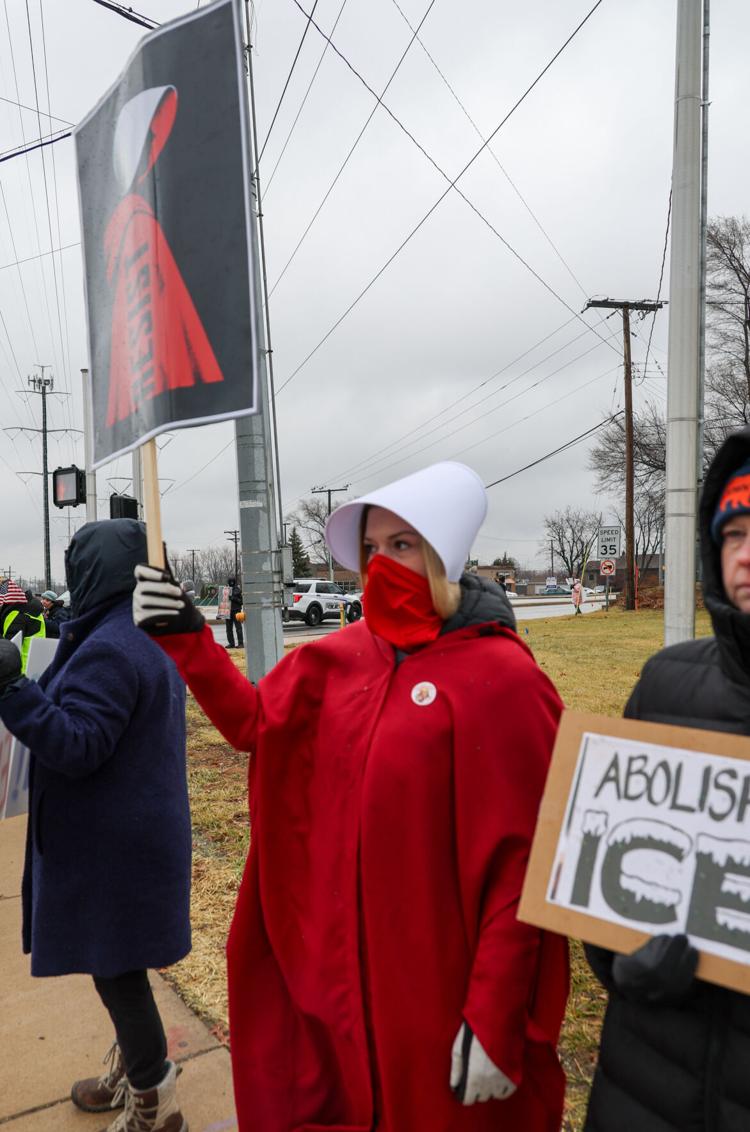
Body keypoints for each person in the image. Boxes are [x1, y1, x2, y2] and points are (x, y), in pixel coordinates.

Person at [133, 461, 569, 1132]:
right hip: (336, 978)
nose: (381, 564)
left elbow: (527, 864)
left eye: (402, 545)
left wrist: (494, 1015)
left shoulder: (504, 680)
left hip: (439, 993)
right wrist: (186, 635)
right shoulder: (335, 659)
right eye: (371, 548)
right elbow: (255, 724)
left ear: (442, 555)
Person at [584, 428, 750, 1132]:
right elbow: (597, 891)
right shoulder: (664, 686)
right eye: (735, 532)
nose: (747, 554)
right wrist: (625, 962)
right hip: (648, 1086)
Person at [0, 520, 191, 1132]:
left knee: (118, 970)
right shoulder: (133, 631)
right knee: (118, 965)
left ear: (93, 571)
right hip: (128, 830)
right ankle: (138, 1066)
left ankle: (154, 1100)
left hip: (115, 843)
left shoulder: (112, 644)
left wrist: (10, 688)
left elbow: (79, 743)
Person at [0, 579, 46, 672]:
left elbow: (7, 649)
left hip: (21, 671)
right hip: (35, 666)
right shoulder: (29, 609)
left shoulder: (16, 615)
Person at [225, 576, 244, 649]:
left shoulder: (238, 590)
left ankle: (240, 643)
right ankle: (231, 643)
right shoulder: (226, 590)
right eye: (230, 582)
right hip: (227, 611)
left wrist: (233, 598)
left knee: (238, 628)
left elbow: (241, 602)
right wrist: (220, 613)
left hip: (236, 611)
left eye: (232, 582)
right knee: (228, 629)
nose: (231, 583)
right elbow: (222, 602)